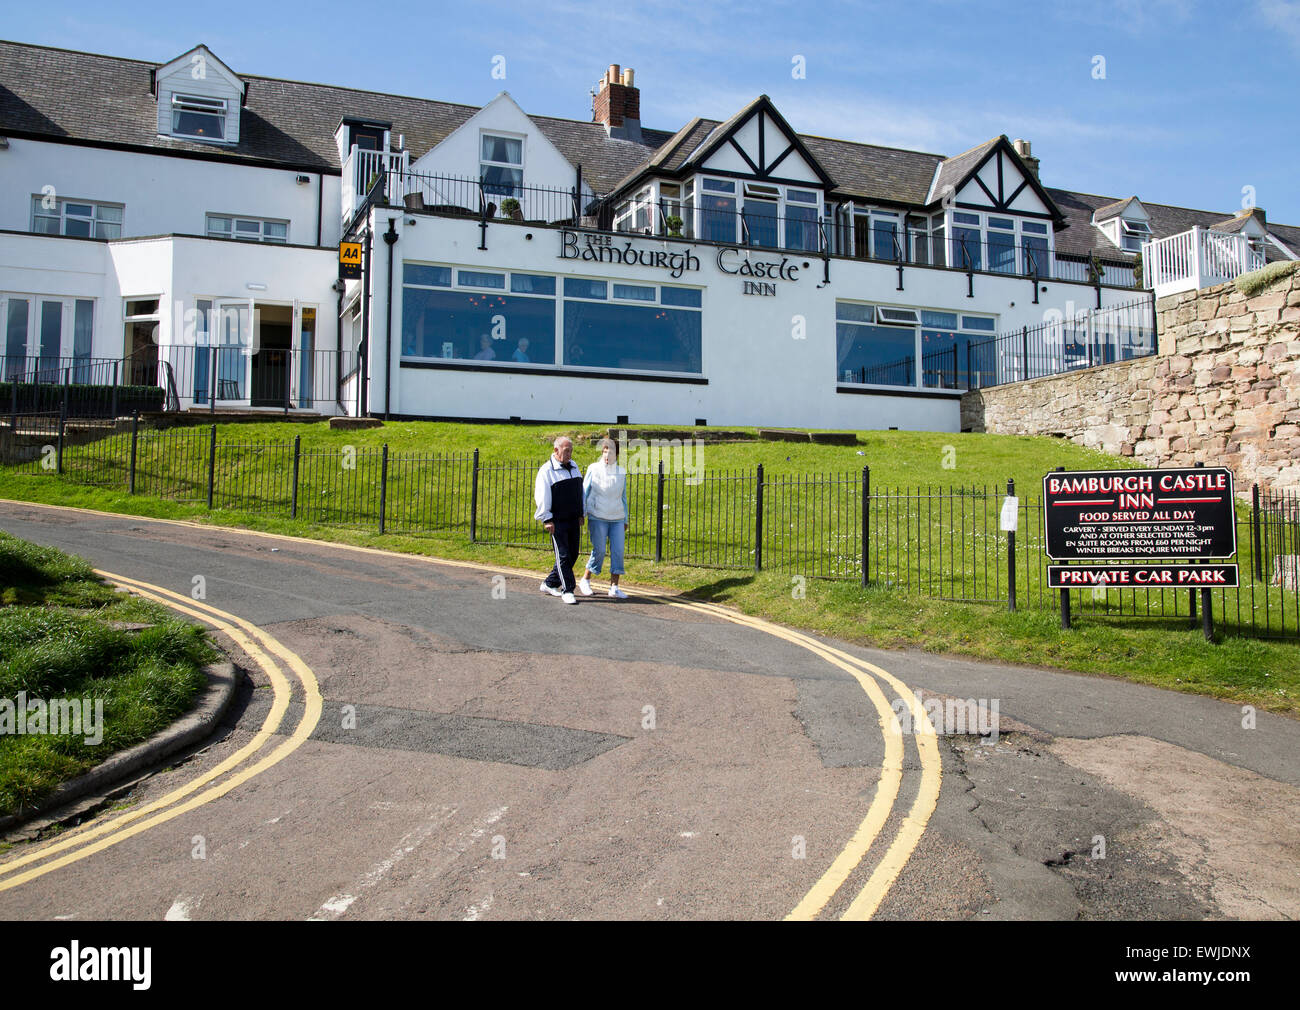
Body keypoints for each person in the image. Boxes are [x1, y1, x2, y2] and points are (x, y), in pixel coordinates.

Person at [534, 435, 583, 604]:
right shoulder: (546, 471)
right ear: (556, 450)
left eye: (571, 450)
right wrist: (547, 518)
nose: (569, 454)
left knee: (573, 554)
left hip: (573, 519)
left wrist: (581, 513)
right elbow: (542, 496)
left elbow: (579, 491)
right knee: (562, 555)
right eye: (566, 450)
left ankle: (549, 583)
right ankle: (568, 589)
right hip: (557, 521)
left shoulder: (574, 466)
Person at [578, 437, 629, 599]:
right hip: (597, 516)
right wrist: (581, 513)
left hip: (617, 518)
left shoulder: (621, 472)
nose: (607, 456)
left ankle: (614, 587)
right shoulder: (594, 469)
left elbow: (623, 497)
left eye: (611, 453)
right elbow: (584, 493)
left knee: (618, 552)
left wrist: (625, 518)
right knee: (599, 550)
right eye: (605, 452)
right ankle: (585, 579)